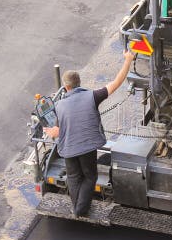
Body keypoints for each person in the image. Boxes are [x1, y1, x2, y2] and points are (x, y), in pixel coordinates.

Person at [44, 50, 135, 217]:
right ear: (79, 83)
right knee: (90, 176)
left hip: (69, 149)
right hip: (87, 147)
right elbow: (116, 83)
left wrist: (51, 132)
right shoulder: (92, 96)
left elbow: (58, 131)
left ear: (66, 87)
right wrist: (128, 60)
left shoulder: (59, 106)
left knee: (73, 177)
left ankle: (77, 207)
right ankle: (80, 209)